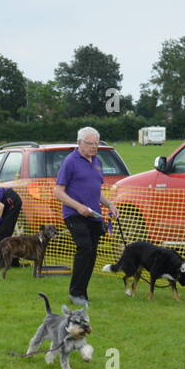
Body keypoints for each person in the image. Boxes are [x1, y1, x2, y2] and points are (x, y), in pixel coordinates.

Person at [53, 126, 117, 306]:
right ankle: (75, 293)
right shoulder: (70, 161)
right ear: (79, 142)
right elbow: (58, 191)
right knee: (85, 248)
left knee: (92, 253)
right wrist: (78, 206)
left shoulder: (97, 161)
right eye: (90, 144)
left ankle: (82, 292)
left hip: (94, 215)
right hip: (74, 214)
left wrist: (110, 204)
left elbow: (96, 191)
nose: (93, 147)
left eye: (96, 144)